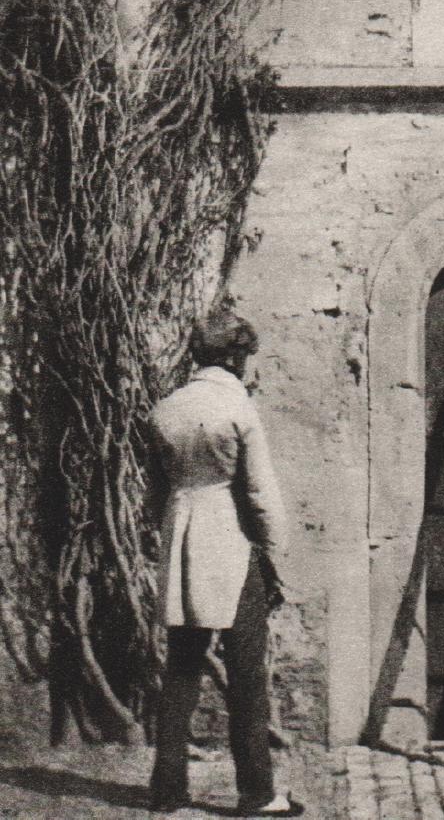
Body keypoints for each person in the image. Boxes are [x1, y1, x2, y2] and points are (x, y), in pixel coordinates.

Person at [148, 312, 302, 817]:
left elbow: (157, 490)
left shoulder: (165, 408)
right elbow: (257, 492)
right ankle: (257, 794)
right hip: (230, 544)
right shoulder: (237, 406)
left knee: (183, 668)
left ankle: (166, 792)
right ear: (235, 356)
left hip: (181, 535)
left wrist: (171, 531)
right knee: (246, 673)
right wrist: (275, 548)